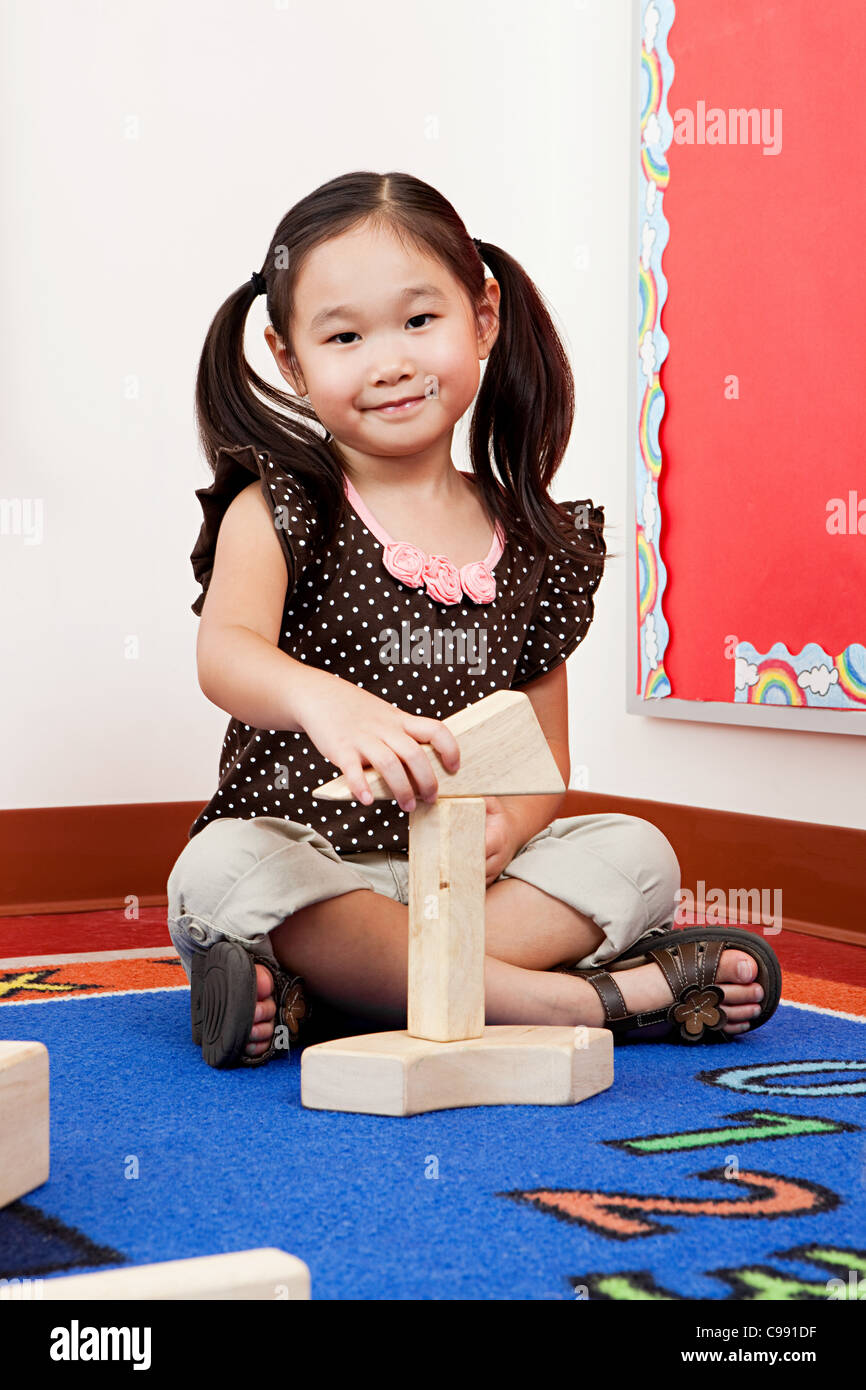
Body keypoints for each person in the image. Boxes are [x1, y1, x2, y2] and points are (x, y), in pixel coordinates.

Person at [167, 170, 779, 1069]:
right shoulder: (285, 509)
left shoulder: (535, 541)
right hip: (311, 871)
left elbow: (545, 759)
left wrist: (510, 825)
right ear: (291, 360)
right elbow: (226, 653)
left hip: (463, 885)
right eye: (344, 336)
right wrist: (322, 702)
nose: (391, 360)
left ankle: (335, 996)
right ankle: (572, 1000)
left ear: (483, 314)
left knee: (638, 853)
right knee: (216, 874)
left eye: (421, 321)